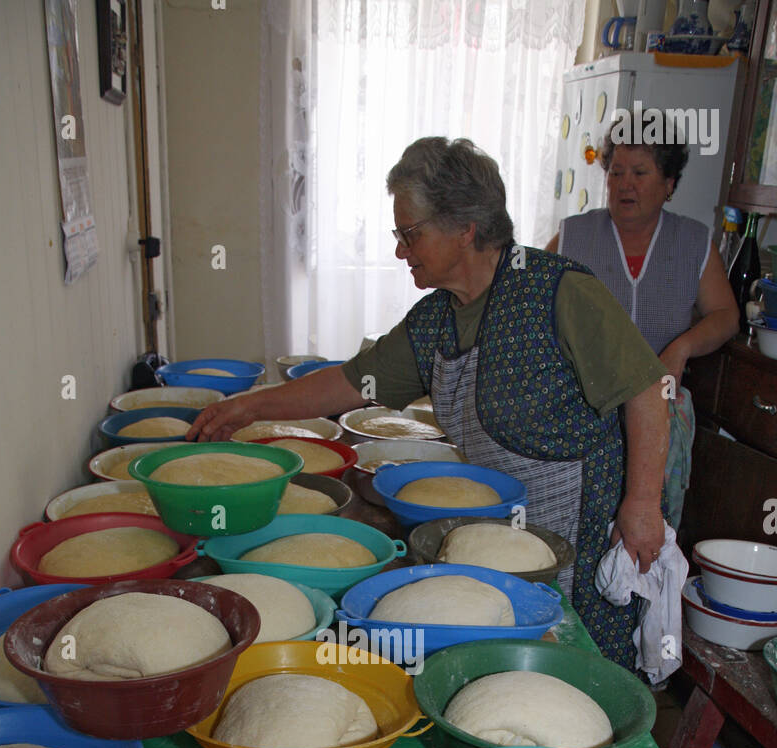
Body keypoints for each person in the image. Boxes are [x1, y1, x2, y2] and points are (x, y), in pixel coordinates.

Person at [189, 137, 671, 668]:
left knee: (573, 670)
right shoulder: (437, 318)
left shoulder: (559, 293)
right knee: (500, 658)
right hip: (492, 540)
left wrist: (644, 504)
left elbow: (646, 390)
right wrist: (251, 407)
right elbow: (353, 383)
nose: (400, 250)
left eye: (410, 233)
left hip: (578, 534)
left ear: (465, 228)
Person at [546, 127, 739, 530]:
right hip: (581, 415)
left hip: (659, 420)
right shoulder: (573, 237)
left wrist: (682, 347)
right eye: (615, 173)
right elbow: (530, 306)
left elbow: (725, 315)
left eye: (639, 172)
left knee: (643, 535)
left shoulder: (694, 242)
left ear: (669, 184)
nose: (624, 185)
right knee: (579, 529)